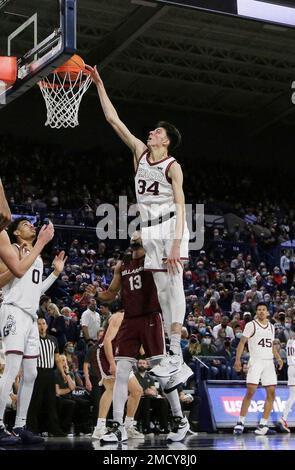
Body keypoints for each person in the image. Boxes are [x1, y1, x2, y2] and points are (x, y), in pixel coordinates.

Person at [87, 64, 189, 378]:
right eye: (153, 130)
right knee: (160, 288)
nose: (152, 133)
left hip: (172, 224)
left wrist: (175, 243)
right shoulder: (140, 152)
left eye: (158, 132)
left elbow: (182, 204)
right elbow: (112, 119)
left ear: (167, 141)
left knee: (174, 283)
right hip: (150, 229)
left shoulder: (173, 165)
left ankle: (175, 350)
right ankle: (175, 359)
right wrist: (99, 84)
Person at [87, 232, 192, 443]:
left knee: (162, 372)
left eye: (140, 232)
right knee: (121, 372)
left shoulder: (154, 256)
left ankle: (180, 419)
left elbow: (175, 269)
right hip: (130, 319)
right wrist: (96, 295)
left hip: (151, 317)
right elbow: (111, 293)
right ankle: (118, 427)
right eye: (134, 232)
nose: (135, 234)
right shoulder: (123, 263)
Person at [0, 217, 65, 444]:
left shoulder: (36, 257)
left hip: (30, 315)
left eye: (32, 224)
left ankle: (19, 426)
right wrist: (39, 245)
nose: (32, 226)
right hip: (13, 310)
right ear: (16, 233)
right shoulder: (12, 249)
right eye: (26, 224)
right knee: (12, 369)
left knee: (32, 373)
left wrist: (55, 273)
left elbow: (36, 291)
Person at [91, 310, 144, 440]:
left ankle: (128, 426)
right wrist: (112, 363)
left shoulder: (140, 321)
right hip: (105, 354)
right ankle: (99, 427)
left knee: (137, 391)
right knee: (112, 387)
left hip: (121, 356)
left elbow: (142, 350)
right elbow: (108, 340)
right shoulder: (118, 317)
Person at [233, 302, 283, 436]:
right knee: (250, 392)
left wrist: (278, 358)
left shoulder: (272, 327)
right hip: (255, 361)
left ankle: (263, 425)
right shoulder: (251, 325)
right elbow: (242, 343)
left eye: (263, 310)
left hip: (268, 363)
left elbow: (271, 345)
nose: (261, 312)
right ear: (256, 312)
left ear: (267, 312)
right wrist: (237, 360)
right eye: (259, 309)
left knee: (272, 393)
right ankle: (240, 422)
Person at [26, 318, 67, 436]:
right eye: (39, 324)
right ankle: (32, 429)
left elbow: (57, 358)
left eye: (43, 324)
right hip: (37, 371)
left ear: (47, 326)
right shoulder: (32, 340)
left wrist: (63, 373)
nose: (41, 326)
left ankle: (54, 429)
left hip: (50, 372)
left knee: (51, 401)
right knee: (35, 401)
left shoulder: (53, 340)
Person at [277, 322, 295, 433]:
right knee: (293, 396)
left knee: (292, 396)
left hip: (291, 369)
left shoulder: (289, 341)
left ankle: (283, 418)